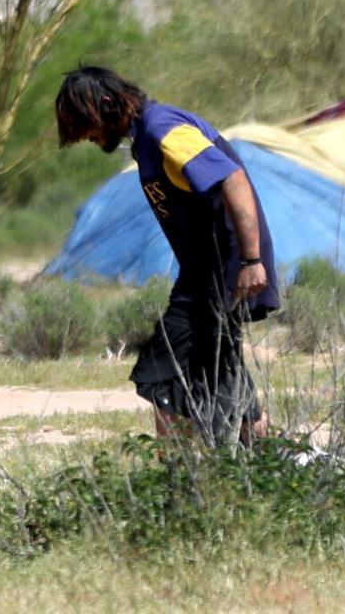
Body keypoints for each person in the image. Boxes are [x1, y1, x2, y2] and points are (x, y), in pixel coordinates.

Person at [55, 65, 280, 445]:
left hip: (221, 270)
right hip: (205, 271)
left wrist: (250, 260)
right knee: (219, 376)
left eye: (84, 123)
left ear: (107, 104)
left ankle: (176, 472)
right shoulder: (146, 137)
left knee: (163, 373)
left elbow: (233, 178)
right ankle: (275, 460)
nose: (85, 137)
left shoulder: (162, 131)